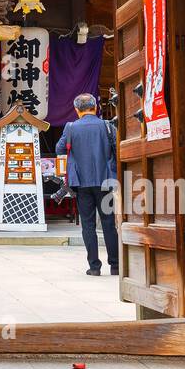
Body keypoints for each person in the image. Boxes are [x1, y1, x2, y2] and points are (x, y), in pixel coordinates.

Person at [55, 93, 119, 276]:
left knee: (88, 224)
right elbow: (116, 149)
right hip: (104, 181)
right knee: (108, 223)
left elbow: (59, 148)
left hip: (81, 182)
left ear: (77, 110)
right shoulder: (107, 126)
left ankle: (94, 266)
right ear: (95, 107)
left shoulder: (71, 127)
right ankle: (115, 265)